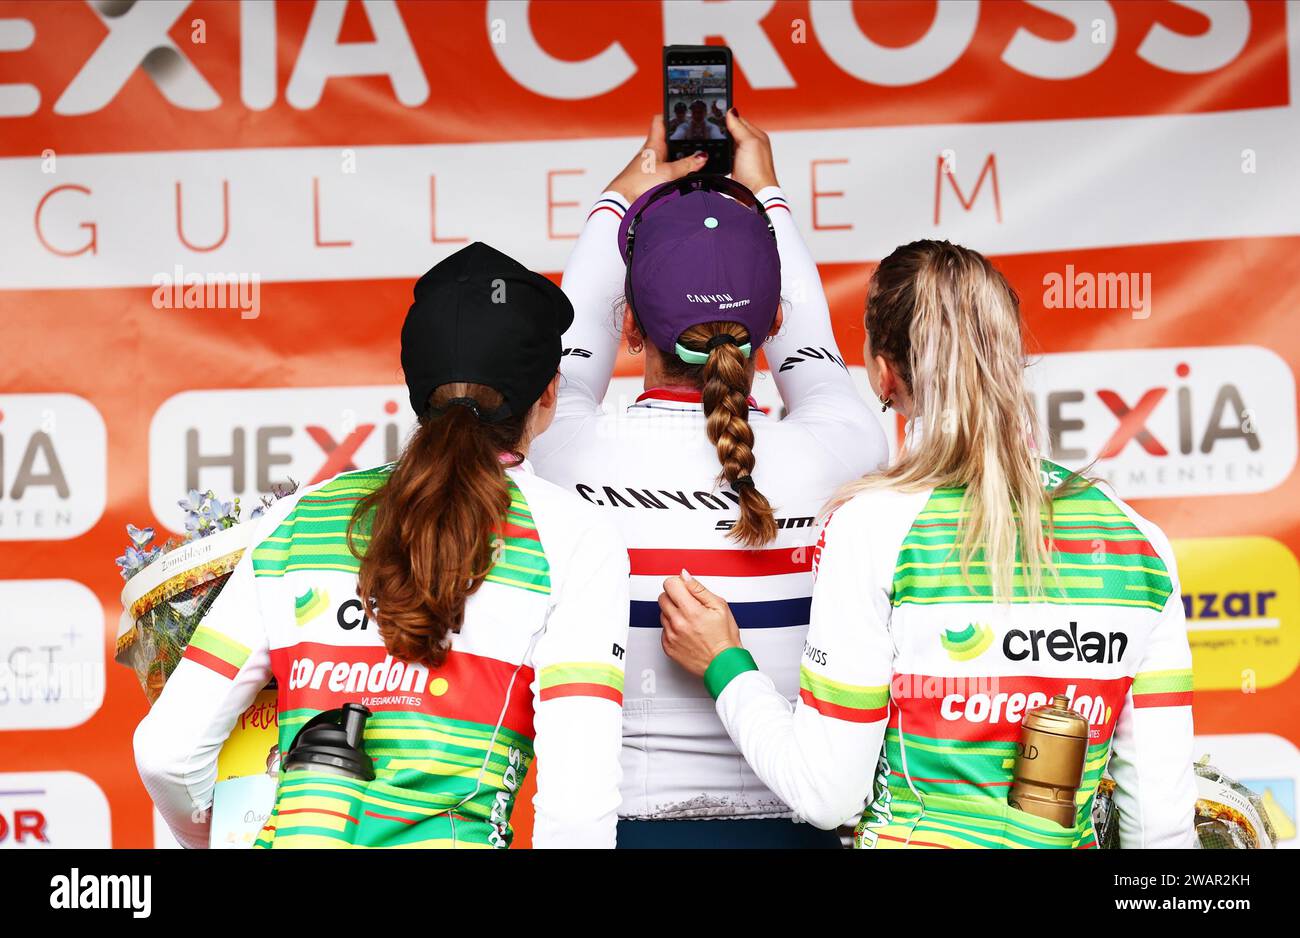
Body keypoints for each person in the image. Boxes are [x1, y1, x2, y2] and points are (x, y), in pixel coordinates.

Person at [659, 239, 1197, 849]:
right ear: (1011, 358)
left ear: (884, 373)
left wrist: (725, 665)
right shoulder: (1138, 542)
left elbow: (828, 793)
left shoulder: (873, 526)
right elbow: (1162, 831)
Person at [135, 242, 631, 849]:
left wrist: (215, 837)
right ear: (549, 394)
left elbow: (167, 753)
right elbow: (576, 816)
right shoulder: (575, 539)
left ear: (417, 393)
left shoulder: (296, 519)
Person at [529, 111, 888, 848]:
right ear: (774, 318)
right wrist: (768, 193)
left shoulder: (558, 451)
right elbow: (812, 351)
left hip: (616, 834)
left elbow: (572, 351)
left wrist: (623, 190)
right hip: (795, 833)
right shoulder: (845, 449)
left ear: (632, 326)